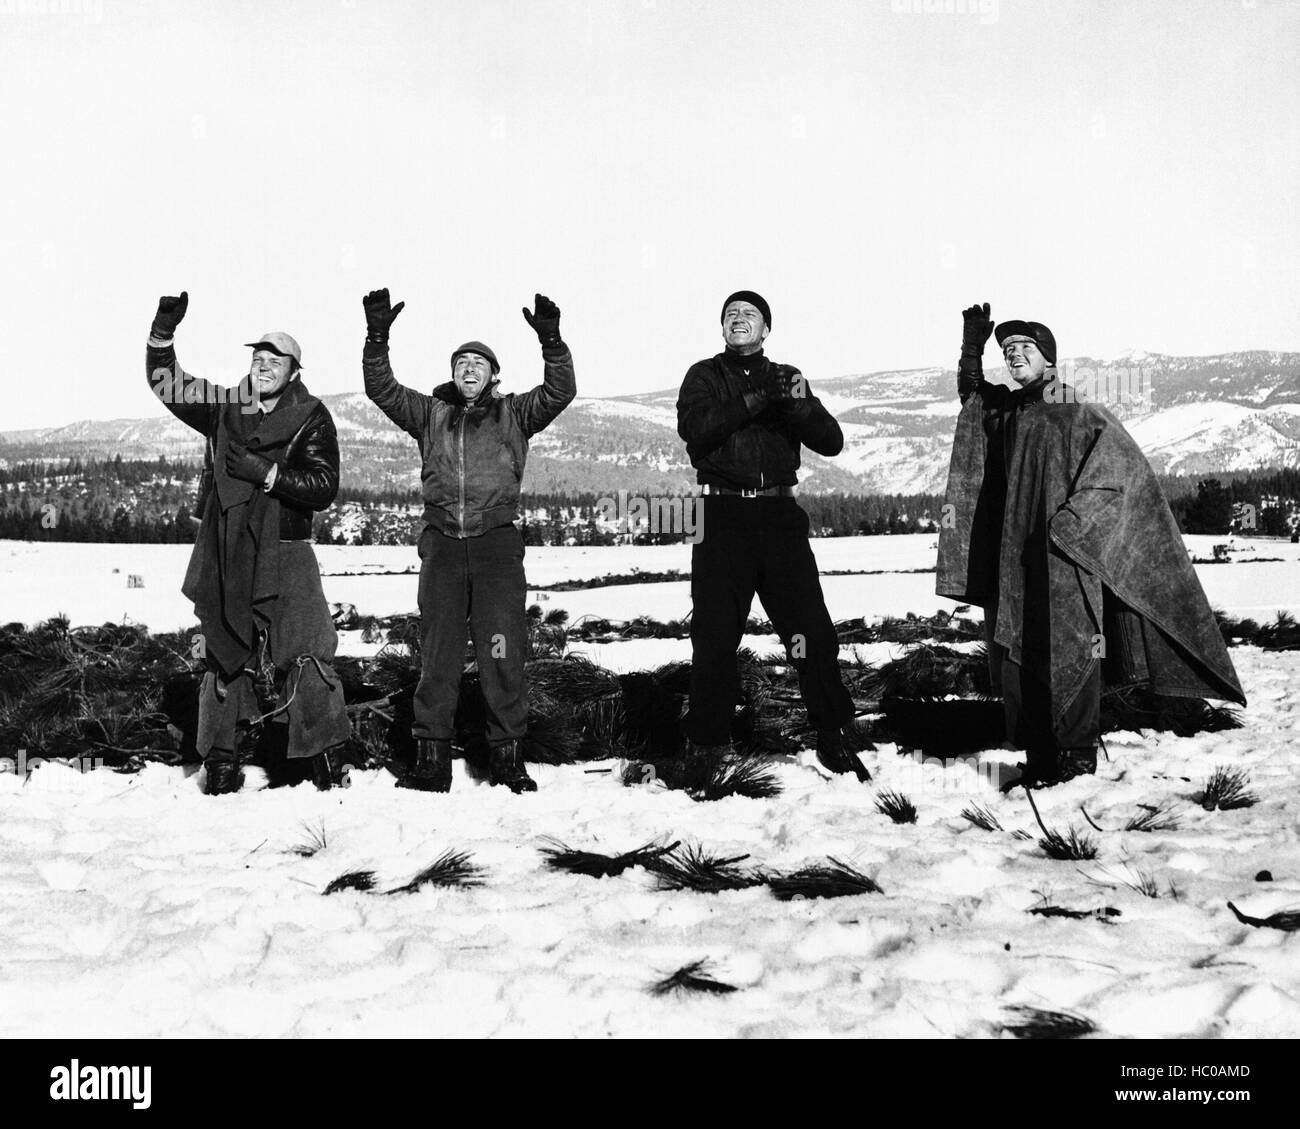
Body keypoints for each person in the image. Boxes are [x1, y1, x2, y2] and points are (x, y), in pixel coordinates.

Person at [937, 302, 1246, 788]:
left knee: (1071, 647)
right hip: (1016, 560)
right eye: (1008, 349)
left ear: (1049, 358)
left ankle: (1077, 757)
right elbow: (973, 400)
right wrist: (971, 347)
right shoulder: (1012, 411)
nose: (1014, 356)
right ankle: (1040, 756)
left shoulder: (1078, 411)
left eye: (1024, 348)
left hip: (1063, 557)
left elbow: (1121, 471)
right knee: (1020, 651)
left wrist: (1074, 524)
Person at [361, 288, 576, 793]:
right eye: (462, 362)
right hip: (442, 543)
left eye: (479, 363)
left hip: (496, 545)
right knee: (438, 651)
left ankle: (507, 759)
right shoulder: (430, 413)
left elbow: (560, 391)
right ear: (453, 372)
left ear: (493, 374)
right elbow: (382, 389)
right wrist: (377, 337)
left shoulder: (514, 414)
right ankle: (431, 761)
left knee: (503, 649)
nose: (469, 369)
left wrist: (551, 340)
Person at [145, 291, 351, 795]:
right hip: (230, 545)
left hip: (287, 548)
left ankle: (322, 761)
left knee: (306, 649)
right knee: (224, 645)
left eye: (273, 359)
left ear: (294, 371)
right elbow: (169, 386)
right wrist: (162, 333)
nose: (262, 366)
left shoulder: (311, 416)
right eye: (256, 358)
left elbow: (324, 488)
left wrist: (268, 474)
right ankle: (220, 761)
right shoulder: (224, 408)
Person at [676, 290, 867, 780]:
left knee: (811, 632)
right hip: (720, 519)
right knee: (715, 637)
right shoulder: (704, 375)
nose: (739, 320)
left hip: (780, 517)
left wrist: (795, 404)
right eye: (731, 315)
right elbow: (698, 430)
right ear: (722, 328)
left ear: (766, 329)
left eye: (750, 315)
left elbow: (831, 440)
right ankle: (706, 746)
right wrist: (756, 398)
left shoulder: (788, 376)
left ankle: (834, 735)